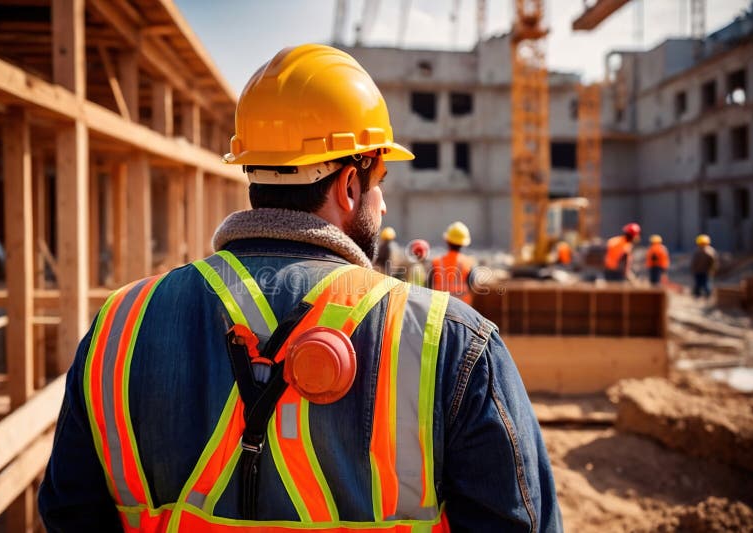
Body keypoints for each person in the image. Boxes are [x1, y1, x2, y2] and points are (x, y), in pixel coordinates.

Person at [39, 44, 561, 532]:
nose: (380, 204)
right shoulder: (452, 342)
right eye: (378, 178)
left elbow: (68, 512)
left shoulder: (119, 327)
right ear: (350, 184)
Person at [429, 221, 477, 305]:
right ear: (464, 243)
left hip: (439, 312)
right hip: (462, 312)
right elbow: (473, 287)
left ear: (447, 241)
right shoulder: (469, 263)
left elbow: (428, 289)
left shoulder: (436, 263)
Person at [691, 234, 717, 298]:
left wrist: (712, 270)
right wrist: (693, 269)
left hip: (706, 271)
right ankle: (697, 295)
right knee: (698, 284)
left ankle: (708, 295)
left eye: (703, 244)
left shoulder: (710, 252)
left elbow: (713, 263)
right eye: (701, 244)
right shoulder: (697, 252)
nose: (702, 245)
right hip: (698, 271)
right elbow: (694, 262)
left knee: (706, 284)